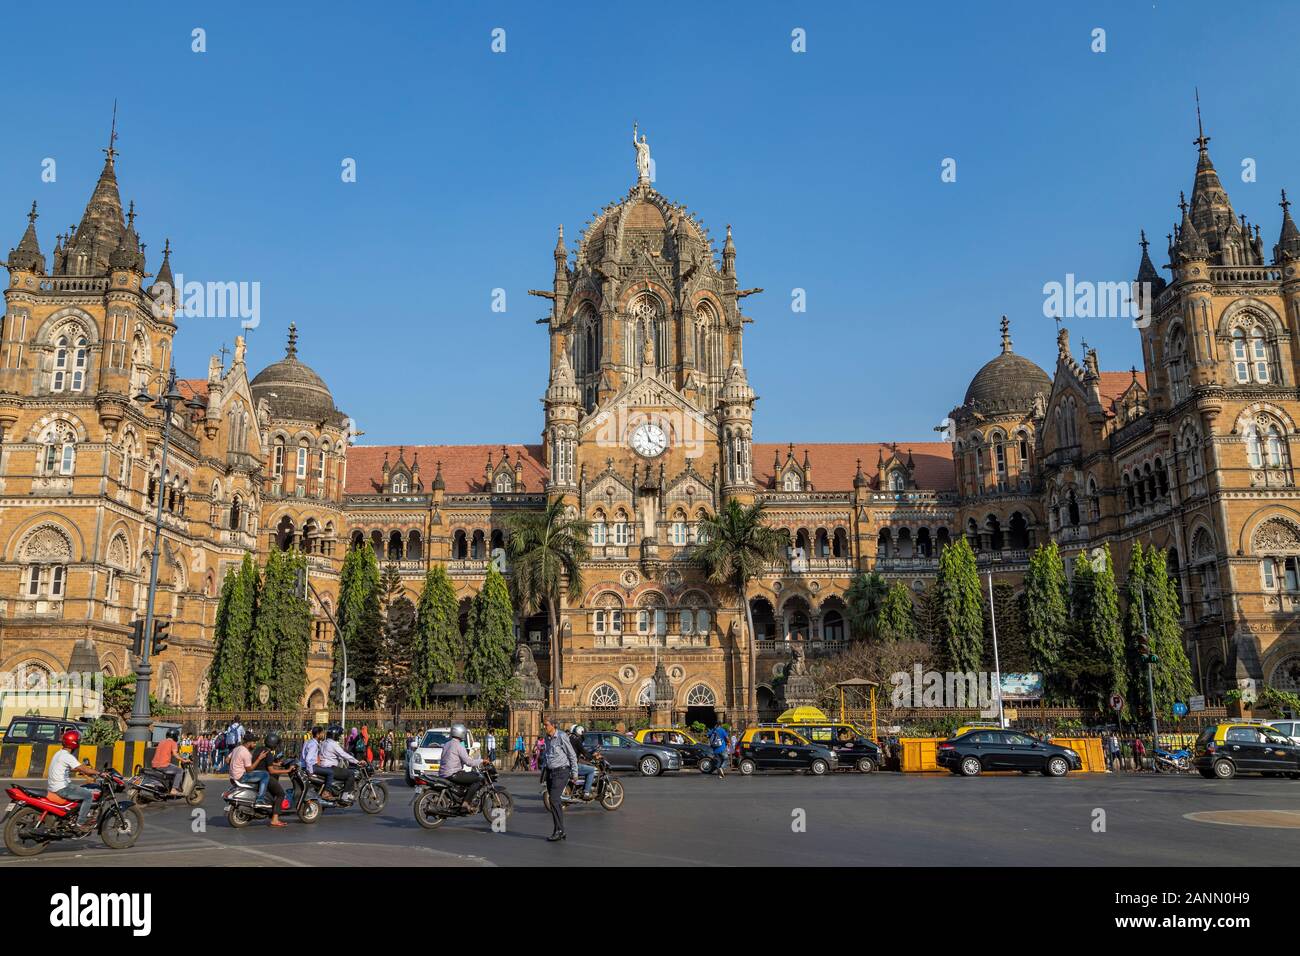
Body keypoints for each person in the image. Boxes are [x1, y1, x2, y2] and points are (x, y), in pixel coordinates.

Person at [48, 729, 99, 831]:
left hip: (54, 786)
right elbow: (83, 768)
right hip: (62, 788)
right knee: (88, 795)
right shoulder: (67, 756)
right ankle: (80, 823)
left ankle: (73, 816)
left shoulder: (59, 753)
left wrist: (83, 770)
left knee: (80, 790)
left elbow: (72, 768)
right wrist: (99, 773)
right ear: (74, 743)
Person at [541, 717, 578, 842]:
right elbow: (546, 755)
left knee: (554, 799)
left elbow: (572, 754)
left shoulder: (562, 736)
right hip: (551, 772)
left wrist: (575, 773)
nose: (544, 727)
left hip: (562, 771)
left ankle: (559, 830)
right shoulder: (547, 738)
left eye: (546, 725)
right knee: (554, 802)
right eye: (544, 725)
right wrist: (544, 771)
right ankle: (559, 829)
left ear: (553, 725)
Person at [439, 723, 489, 812]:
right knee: (478, 779)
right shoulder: (459, 746)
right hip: (453, 773)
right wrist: (481, 761)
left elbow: (454, 758)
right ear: (460, 733)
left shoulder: (446, 744)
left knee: (469, 776)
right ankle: (465, 804)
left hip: (443, 773)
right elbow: (469, 762)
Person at [252, 732, 290, 827]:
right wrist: (287, 770)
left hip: (256, 775)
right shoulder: (268, 753)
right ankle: (275, 819)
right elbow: (271, 771)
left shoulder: (259, 749)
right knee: (281, 793)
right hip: (265, 777)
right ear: (274, 744)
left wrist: (278, 765)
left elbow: (266, 762)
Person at [229, 732, 270, 802]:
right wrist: (259, 758)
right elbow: (249, 770)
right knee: (265, 775)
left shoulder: (237, 748)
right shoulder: (245, 752)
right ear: (248, 743)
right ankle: (260, 799)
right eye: (254, 743)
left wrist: (236, 765)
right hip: (241, 777)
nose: (255, 745)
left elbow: (227, 760)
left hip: (232, 777)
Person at [320, 725, 360, 794]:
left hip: (323, 767)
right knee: (350, 774)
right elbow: (343, 754)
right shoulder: (333, 744)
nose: (339, 737)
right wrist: (357, 762)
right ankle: (345, 796)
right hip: (331, 767)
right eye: (338, 735)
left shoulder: (324, 742)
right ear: (335, 735)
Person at [150, 727, 185, 796]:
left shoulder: (161, 742)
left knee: (172, 768)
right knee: (179, 770)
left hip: (154, 765)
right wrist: (183, 760)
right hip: (163, 765)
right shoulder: (173, 743)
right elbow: (175, 754)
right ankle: (174, 789)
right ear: (174, 736)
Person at [567, 725, 596, 799]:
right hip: (573, 765)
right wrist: (592, 757)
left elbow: (575, 751)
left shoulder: (568, 738)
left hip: (566, 763)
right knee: (591, 770)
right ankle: (586, 792)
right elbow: (584, 752)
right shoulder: (577, 740)